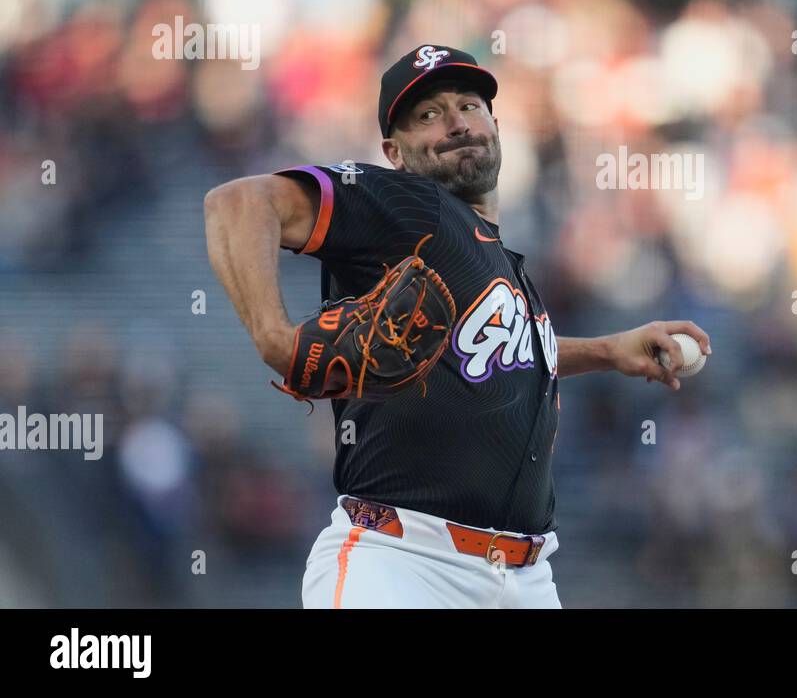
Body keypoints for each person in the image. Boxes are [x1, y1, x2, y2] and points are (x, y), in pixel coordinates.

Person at [204, 44, 710, 608]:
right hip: (403, 565)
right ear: (394, 152)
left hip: (526, 579)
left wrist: (607, 351)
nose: (455, 123)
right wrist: (275, 339)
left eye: (469, 105)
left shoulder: (496, 257)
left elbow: (489, 351)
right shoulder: (410, 205)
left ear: (496, 125)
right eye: (427, 115)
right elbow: (238, 202)